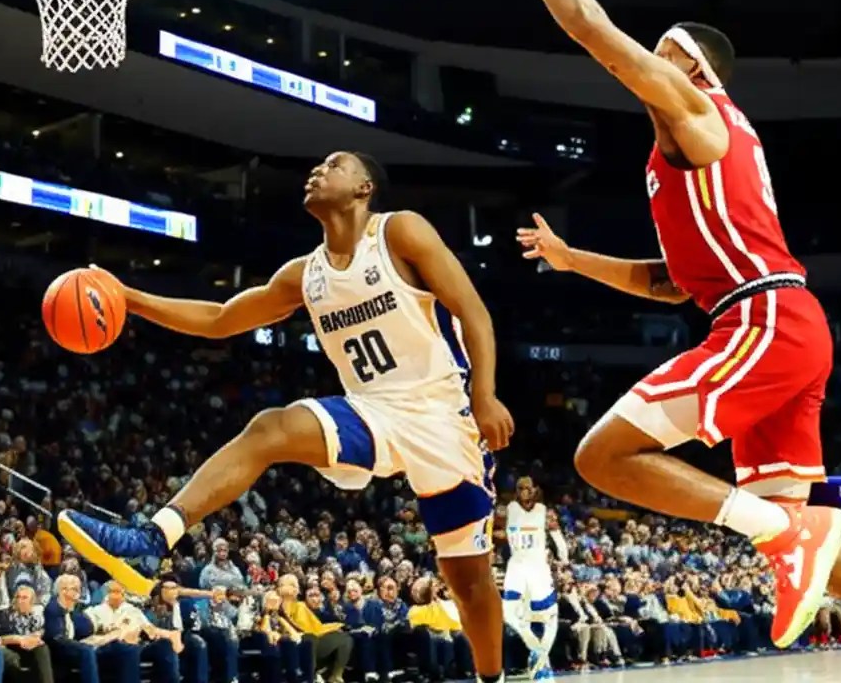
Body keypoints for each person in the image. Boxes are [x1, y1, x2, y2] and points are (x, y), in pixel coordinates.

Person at [513, 0, 841, 681]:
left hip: (762, 319)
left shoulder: (697, 111)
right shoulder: (699, 150)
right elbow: (670, 282)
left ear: (690, 64)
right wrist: (569, 258)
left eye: (661, 53)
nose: (649, 63)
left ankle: (789, 533)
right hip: (776, 320)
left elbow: (590, 28)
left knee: (601, 458)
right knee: (800, 544)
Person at [57, 150, 514, 683]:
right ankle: (150, 541)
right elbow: (222, 319)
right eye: (317, 165)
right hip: (374, 412)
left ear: (365, 187)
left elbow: (473, 310)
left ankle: (493, 679)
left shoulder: (401, 233)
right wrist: (129, 299)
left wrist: (485, 394)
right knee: (269, 428)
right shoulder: (305, 274)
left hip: (444, 417)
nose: (319, 170)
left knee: (469, 582)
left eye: (335, 165)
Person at [499, 477, 556, 680]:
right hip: (517, 567)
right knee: (512, 615)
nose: (524, 491)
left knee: (546, 617)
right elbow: (494, 531)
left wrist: (562, 556)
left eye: (527, 488)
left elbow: (556, 534)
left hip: (538, 568)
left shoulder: (543, 511)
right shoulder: (510, 509)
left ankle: (541, 661)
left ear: (535, 490)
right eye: (520, 488)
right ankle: (538, 653)